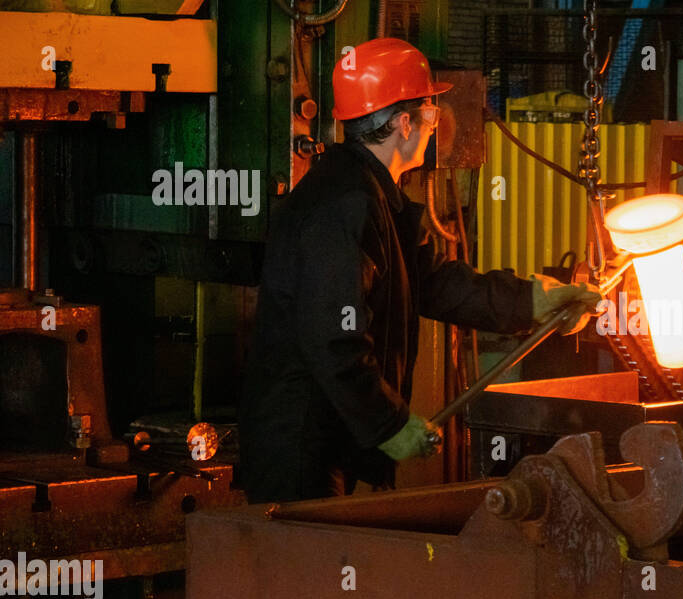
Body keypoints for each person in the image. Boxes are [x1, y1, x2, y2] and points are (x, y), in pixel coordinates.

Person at [239, 37, 600, 503]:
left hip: (326, 435)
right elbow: (332, 336)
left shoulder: (373, 197)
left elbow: (436, 283)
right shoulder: (345, 205)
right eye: (431, 109)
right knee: (310, 569)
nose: (436, 122)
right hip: (299, 444)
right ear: (403, 122)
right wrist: (387, 423)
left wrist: (533, 299)